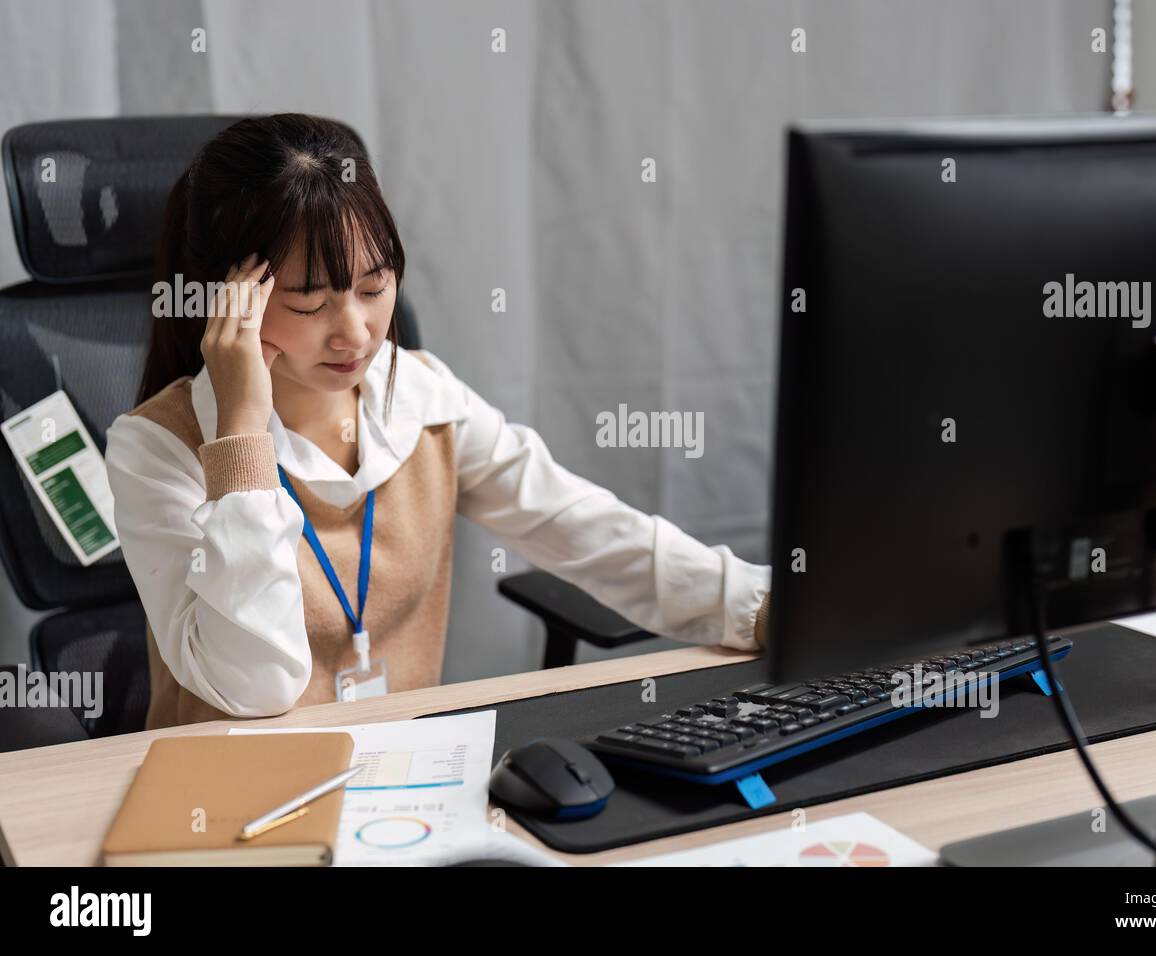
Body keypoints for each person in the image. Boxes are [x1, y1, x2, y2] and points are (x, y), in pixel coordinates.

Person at [105, 114, 771, 729]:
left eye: (374, 287)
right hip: (230, 812)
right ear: (230, 300)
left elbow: (586, 529)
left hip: (404, 789)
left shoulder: (419, 399)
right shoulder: (157, 450)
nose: (356, 333)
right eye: (309, 303)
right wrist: (243, 436)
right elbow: (255, 687)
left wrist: (766, 607)